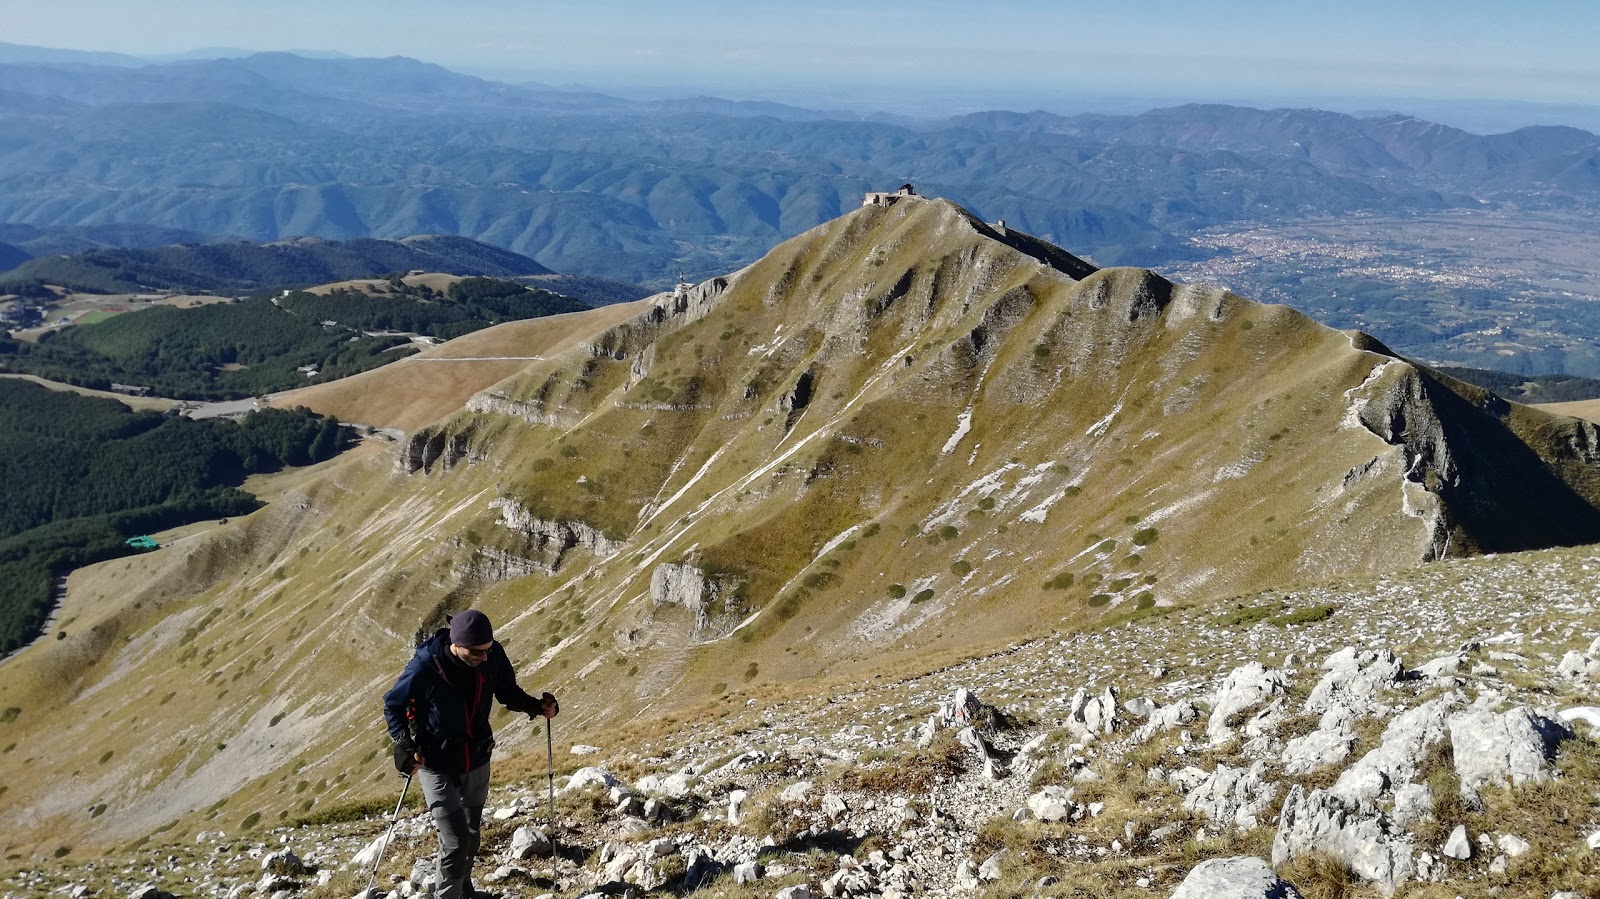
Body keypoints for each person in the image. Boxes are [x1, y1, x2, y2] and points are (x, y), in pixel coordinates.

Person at [383, 609, 558, 899]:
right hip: (435, 763)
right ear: (457, 645)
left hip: (476, 757)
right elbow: (393, 704)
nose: (485, 658)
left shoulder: (492, 655)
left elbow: (507, 692)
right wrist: (403, 743)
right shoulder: (427, 664)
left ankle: (464, 888)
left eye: (488, 650)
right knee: (455, 840)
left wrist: (537, 707)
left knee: (472, 835)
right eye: (478, 653)